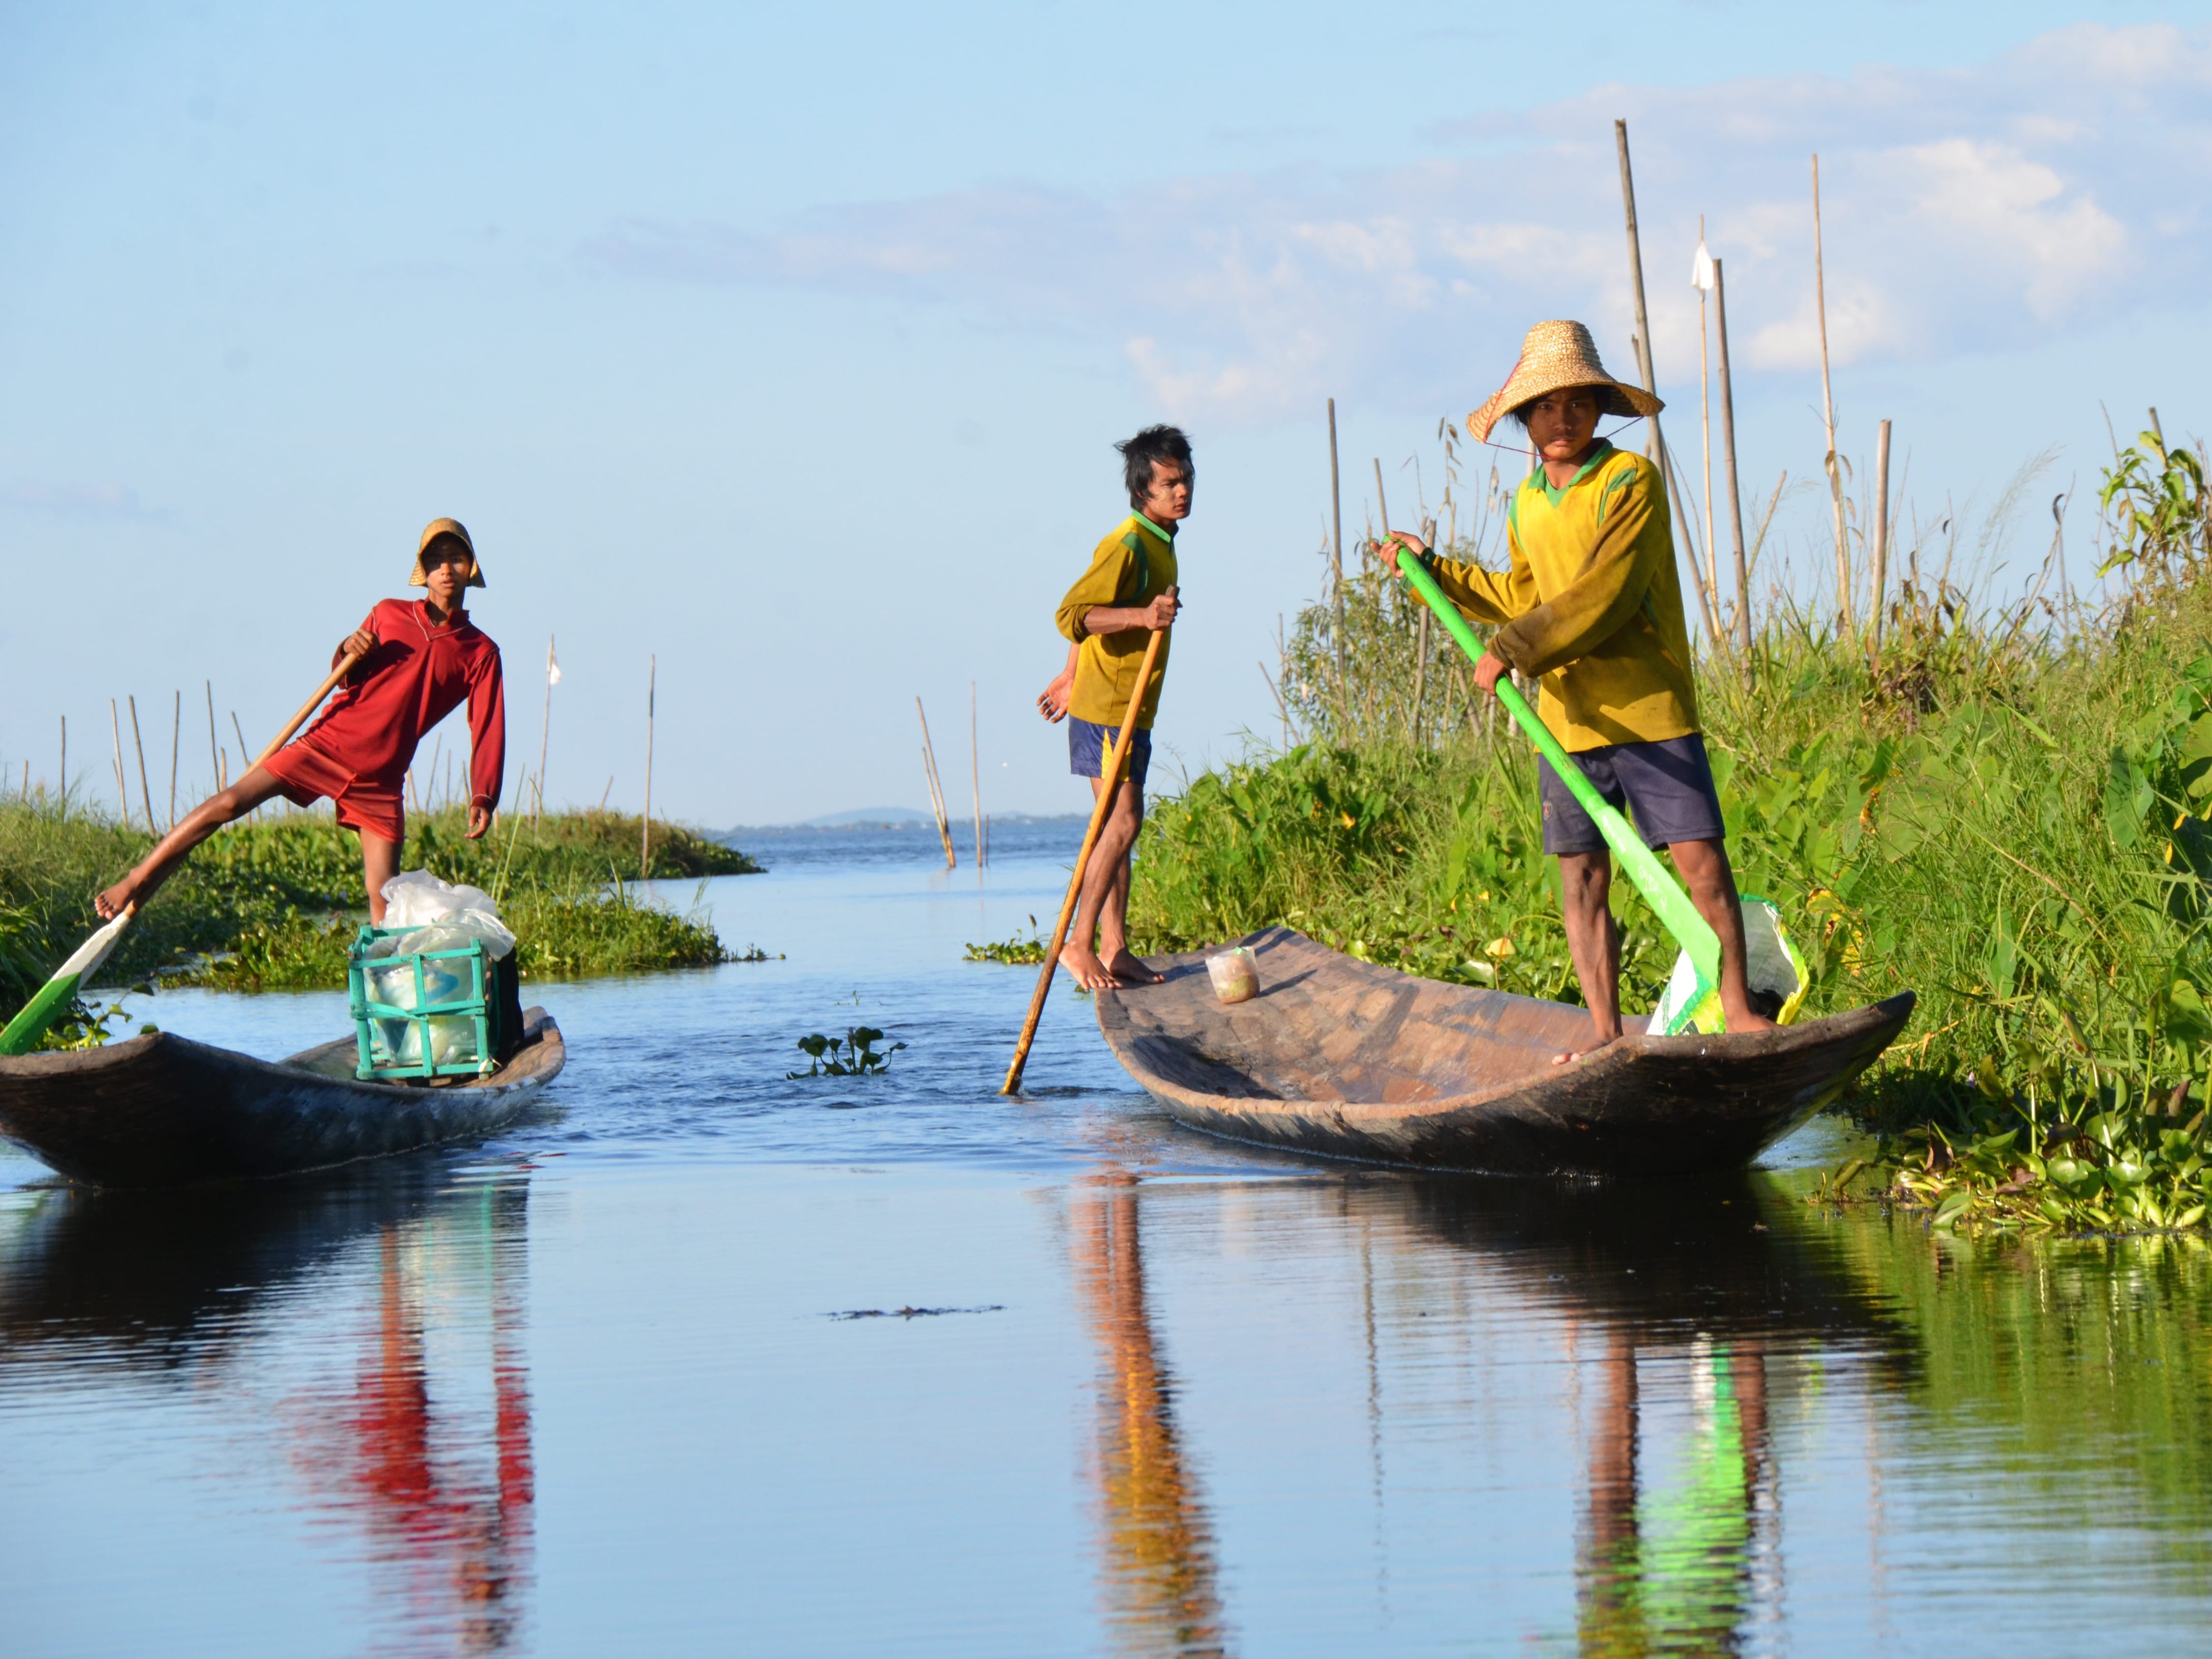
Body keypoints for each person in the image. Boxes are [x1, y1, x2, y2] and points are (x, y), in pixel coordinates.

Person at [1382, 320, 1774, 1062]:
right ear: (1524, 420)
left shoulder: (1630, 482)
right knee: (1583, 878)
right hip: (1567, 720)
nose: (1562, 420)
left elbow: (1605, 593)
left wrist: (1511, 650)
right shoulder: (1527, 501)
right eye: (1545, 407)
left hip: (1647, 707)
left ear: (1598, 412)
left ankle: (1736, 1010)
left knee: (1700, 864)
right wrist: (1435, 570)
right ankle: (1603, 1033)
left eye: (1577, 405)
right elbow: (1521, 593)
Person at [96, 518, 507, 926]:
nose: (446, 569)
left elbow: (488, 725)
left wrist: (483, 795)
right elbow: (347, 676)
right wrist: (349, 646)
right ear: (424, 571)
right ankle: (134, 880)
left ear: (470, 567)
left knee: (384, 897)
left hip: (381, 780)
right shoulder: (387, 614)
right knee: (228, 803)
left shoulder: (481, 652)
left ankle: (392, 983)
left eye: (456, 559)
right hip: (328, 745)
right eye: (436, 560)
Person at [1036, 425, 1189, 990]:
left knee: (1118, 826)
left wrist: (1069, 670)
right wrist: (1141, 619)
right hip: (1107, 710)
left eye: (1185, 479)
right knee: (1121, 822)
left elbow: (1092, 614)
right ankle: (1079, 947)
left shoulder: (1161, 542)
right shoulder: (1127, 543)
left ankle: (1115, 947)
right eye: (1169, 483)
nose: (1181, 491)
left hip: (1131, 706)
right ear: (1143, 491)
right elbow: (1073, 612)